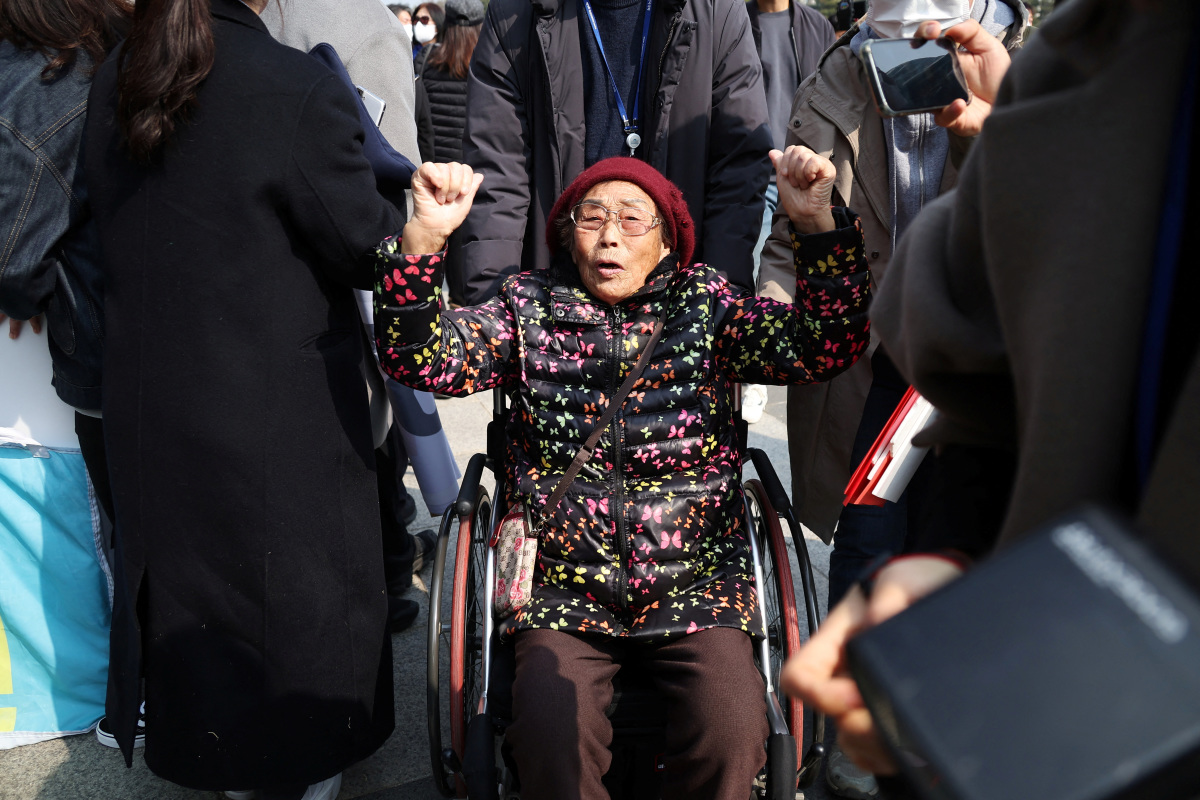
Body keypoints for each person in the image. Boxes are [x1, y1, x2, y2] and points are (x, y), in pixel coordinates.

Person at [784, 0, 1197, 788]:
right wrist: (955, 554)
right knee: (869, 533)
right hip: (898, 390)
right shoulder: (1095, 54)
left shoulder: (1046, 62)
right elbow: (991, 352)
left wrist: (997, 136)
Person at [374, 150, 871, 799]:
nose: (610, 234)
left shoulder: (709, 306)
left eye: (633, 219)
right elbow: (422, 361)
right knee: (550, 737)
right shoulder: (528, 309)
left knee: (734, 728)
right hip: (561, 590)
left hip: (696, 586)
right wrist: (422, 241)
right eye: (592, 217)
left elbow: (825, 347)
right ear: (566, 233)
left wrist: (817, 228)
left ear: (669, 242)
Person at [84, 0, 404, 796]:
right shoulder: (293, 85)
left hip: (152, 396)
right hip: (278, 404)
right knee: (298, 615)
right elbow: (365, 244)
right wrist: (420, 226)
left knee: (199, 603)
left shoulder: (115, 79)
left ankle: (221, 764)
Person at [755, 1, 1024, 795]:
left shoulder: (1014, 73)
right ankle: (857, 738)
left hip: (970, 356)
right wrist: (772, 310)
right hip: (870, 355)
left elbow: (1042, 228)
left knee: (965, 548)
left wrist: (992, 132)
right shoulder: (837, 71)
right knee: (868, 537)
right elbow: (791, 224)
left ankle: (941, 725)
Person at [260, 0, 439, 635]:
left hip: (300, 263)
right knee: (368, 421)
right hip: (347, 254)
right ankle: (384, 572)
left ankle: (384, 568)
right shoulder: (361, 22)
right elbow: (398, 164)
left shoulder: (352, 23)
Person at [447, 0, 774, 308]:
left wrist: (718, 302)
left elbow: (738, 168)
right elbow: (497, 172)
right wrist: (494, 311)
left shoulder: (716, 11)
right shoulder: (514, 14)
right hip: (550, 303)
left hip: (682, 302)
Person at [740, 0, 836, 424]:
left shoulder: (816, 25)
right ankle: (751, 372)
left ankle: (764, 359)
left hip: (801, 172)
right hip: (751, 167)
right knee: (752, 262)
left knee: (785, 265)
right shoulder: (735, 17)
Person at [417, 0, 482, 164]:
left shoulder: (427, 57)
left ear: (446, 24)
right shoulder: (491, 63)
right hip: (475, 167)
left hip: (432, 166)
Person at [412, 2, 443, 70]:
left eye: (424, 19)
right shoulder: (409, 52)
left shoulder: (445, 54)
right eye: (416, 20)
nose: (418, 24)